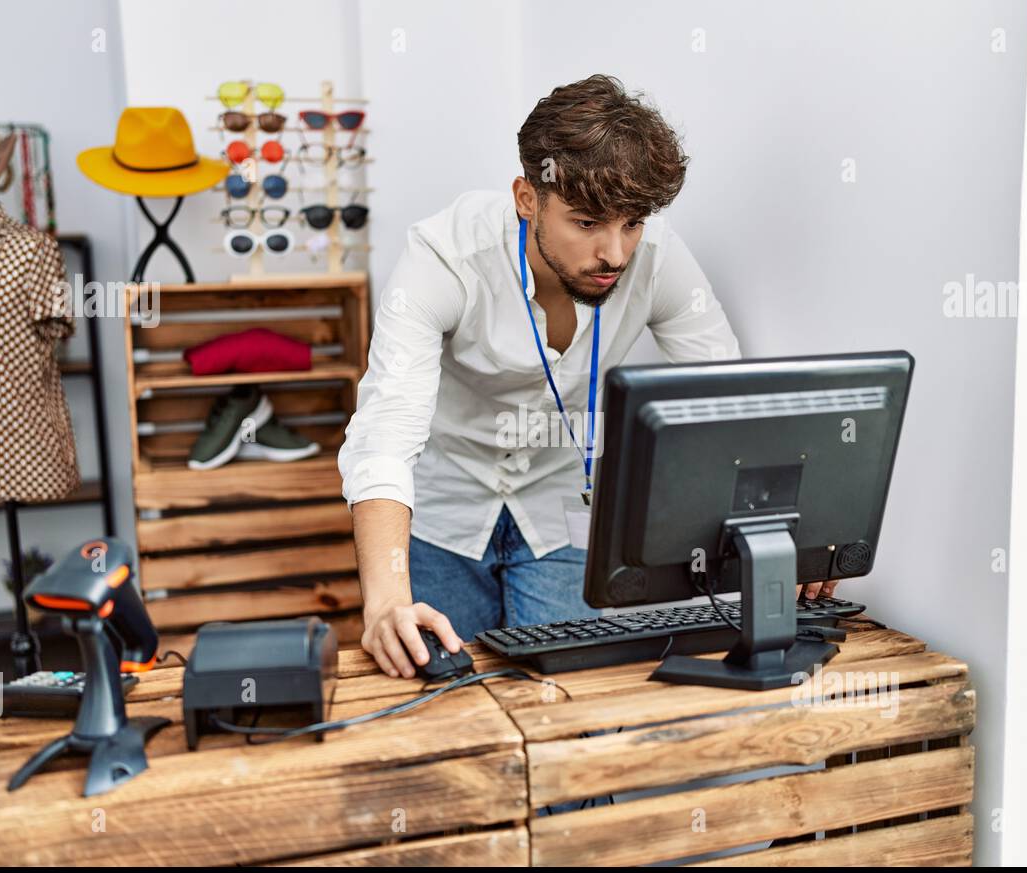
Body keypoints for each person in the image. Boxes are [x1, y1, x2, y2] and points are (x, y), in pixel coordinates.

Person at [339, 74, 834, 679]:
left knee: (574, 703)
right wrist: (386, 600)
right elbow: (384, 433)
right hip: (443, 512)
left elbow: (726, 401)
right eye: (588, 223)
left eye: (632, 224)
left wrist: (796, 532)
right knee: (449, 703)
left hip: (562, 509)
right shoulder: (442, 259)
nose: (615, 254)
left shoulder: (654, 259)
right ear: (527, 198)